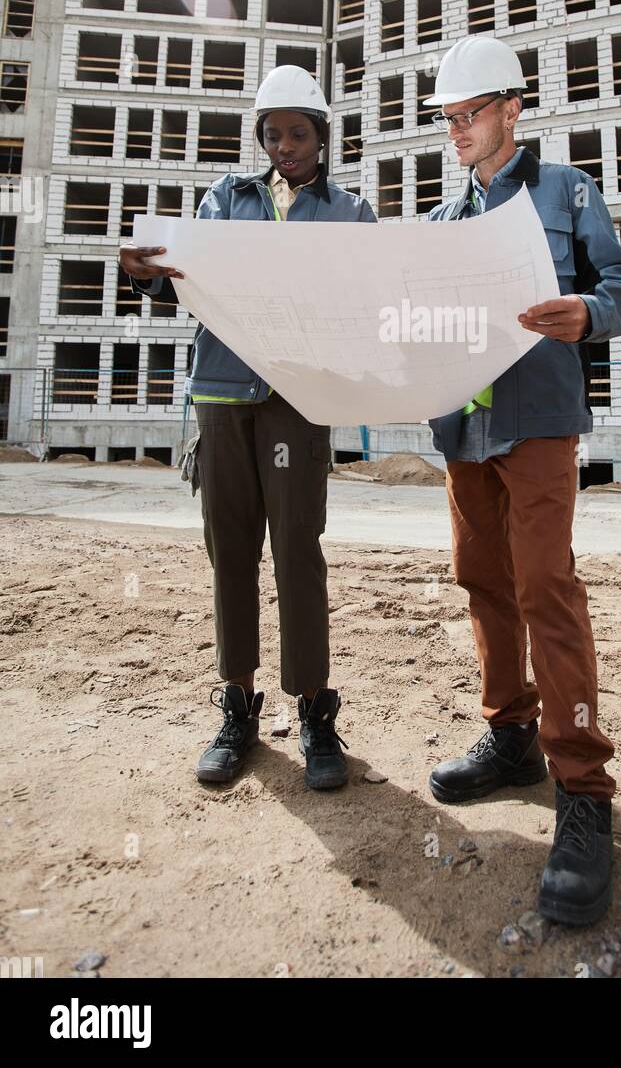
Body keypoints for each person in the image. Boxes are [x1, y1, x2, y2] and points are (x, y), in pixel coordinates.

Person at [421, 34, 621, 926]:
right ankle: (510, 735)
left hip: (540, 424)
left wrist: (587, 311)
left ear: (511, 111)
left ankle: (583, 785)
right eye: (446, 120)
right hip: (464, 429)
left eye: (466, 115)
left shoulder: (568, 192)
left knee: (547, 589)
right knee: (483, 584)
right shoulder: (443, 221)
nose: (455, 131)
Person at [117, 65, 376, 792]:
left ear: (322, 137)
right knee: (230, 547)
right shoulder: (225, 199)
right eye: (273, 135)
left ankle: (314, 709)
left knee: (297, 548)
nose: (285, 146)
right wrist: (143, 272)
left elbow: (369, 299)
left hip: (298, 396)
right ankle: (237, 706)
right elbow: (182, 277)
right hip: (223, 395)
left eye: (298, 133)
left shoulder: (350, 213)